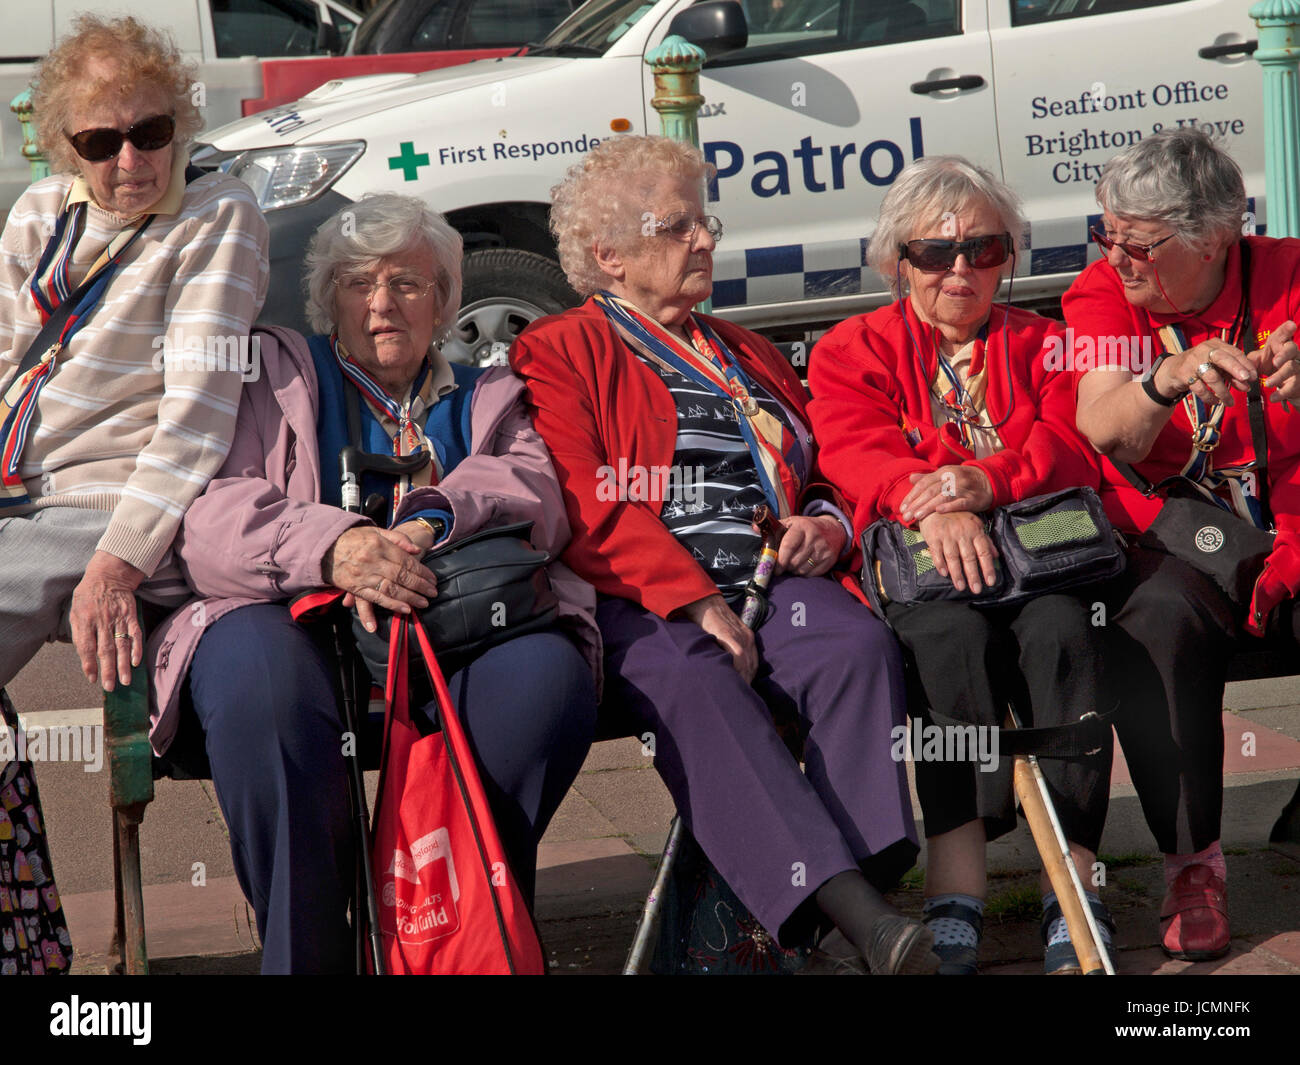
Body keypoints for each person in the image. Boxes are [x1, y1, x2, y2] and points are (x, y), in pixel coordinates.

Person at [509, 134, 934, 975]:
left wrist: (828, 522)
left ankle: (853, 915)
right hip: (642, 596)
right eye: (676, 227)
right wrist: (696, 598)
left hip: (775, 576)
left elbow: (824, 467)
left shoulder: (747, 351)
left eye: (705, 223)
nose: (704, 240)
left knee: (856, 649)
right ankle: (865, 923)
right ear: (610, 255)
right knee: (696, 673)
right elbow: (588, 501)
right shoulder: (561, 350)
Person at [146, 194, 600, 974]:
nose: (382, 304)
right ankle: (310, 949)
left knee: (544, 678)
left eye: (408, 285)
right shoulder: (275, 375)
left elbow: (540, 495)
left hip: (453, 627)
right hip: (287, 621)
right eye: (359, 284)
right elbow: (210, 521)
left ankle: (452, 930)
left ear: (446, 301)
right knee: (262, 692)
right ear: (329, 299)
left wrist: (430, 516)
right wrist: (337, 546)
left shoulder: (485, 394)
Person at [0, 15, 267, 975]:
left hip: (91, 501)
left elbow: (195, 419)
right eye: (101, 141)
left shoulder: (216, 216)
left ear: (179, 126)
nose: (130, 161)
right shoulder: (39, 214)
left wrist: (117, 561)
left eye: (152, 133)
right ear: (64, 141)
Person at [808, 155, 1117, 974]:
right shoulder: (851, 348)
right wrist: (928, 497)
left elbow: (1067, 443)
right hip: (929, 573)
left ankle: (1074, 887)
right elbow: (853, 450)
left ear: (1007, 256)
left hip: (1044, 566)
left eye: (982, 249)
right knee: (945, 641)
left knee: (1064, 635)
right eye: (935, 253)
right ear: (896, 261)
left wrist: (984, 480)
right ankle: (958, 882)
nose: (960, 270)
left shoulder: (1045, 343)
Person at [1066, 127, 1300, 960]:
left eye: (1138, 242)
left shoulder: (1291, 273)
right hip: (1181, 536)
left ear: (1214, 239)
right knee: (1154, 618)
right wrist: (1164, 379)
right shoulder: (1101, 296)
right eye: (1107, 232)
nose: (1116, 256)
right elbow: (1104, 426)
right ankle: (1192, 863)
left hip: (1292, 527)